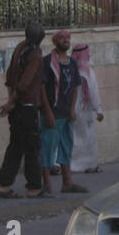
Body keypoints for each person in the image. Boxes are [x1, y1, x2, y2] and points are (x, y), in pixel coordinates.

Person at [0, 22, 49, 199]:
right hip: (27, 106)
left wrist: (10, 101)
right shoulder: (35, 54)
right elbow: (25, 83)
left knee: (15, 146)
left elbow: (10, 77)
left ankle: (4, 184)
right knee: (32, 148)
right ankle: (34, 187)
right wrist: (12, 101)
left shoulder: (20, 47)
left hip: (17, 107)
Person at [36, 30, 88, 195]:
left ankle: (67, 182)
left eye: (68, 38)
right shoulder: (47, 62)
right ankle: (46, 185)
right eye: (62, 38)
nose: (66, 41)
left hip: (66, 113)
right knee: (48, 147)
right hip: (52, 113)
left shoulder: (72, 63)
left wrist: (72, 110)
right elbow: (42, 88)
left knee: (66, 147)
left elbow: (74, 87)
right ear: (55, 41)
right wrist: (48, 111)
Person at [69, 44, 104, 175]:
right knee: (88, 138)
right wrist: (99, 110)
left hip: (72, 110)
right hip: (85, 111)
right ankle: (90, 165)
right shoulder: (88, 72)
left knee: (74, 138)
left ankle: (71, 165)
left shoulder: (70, 70)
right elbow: (93, 92)